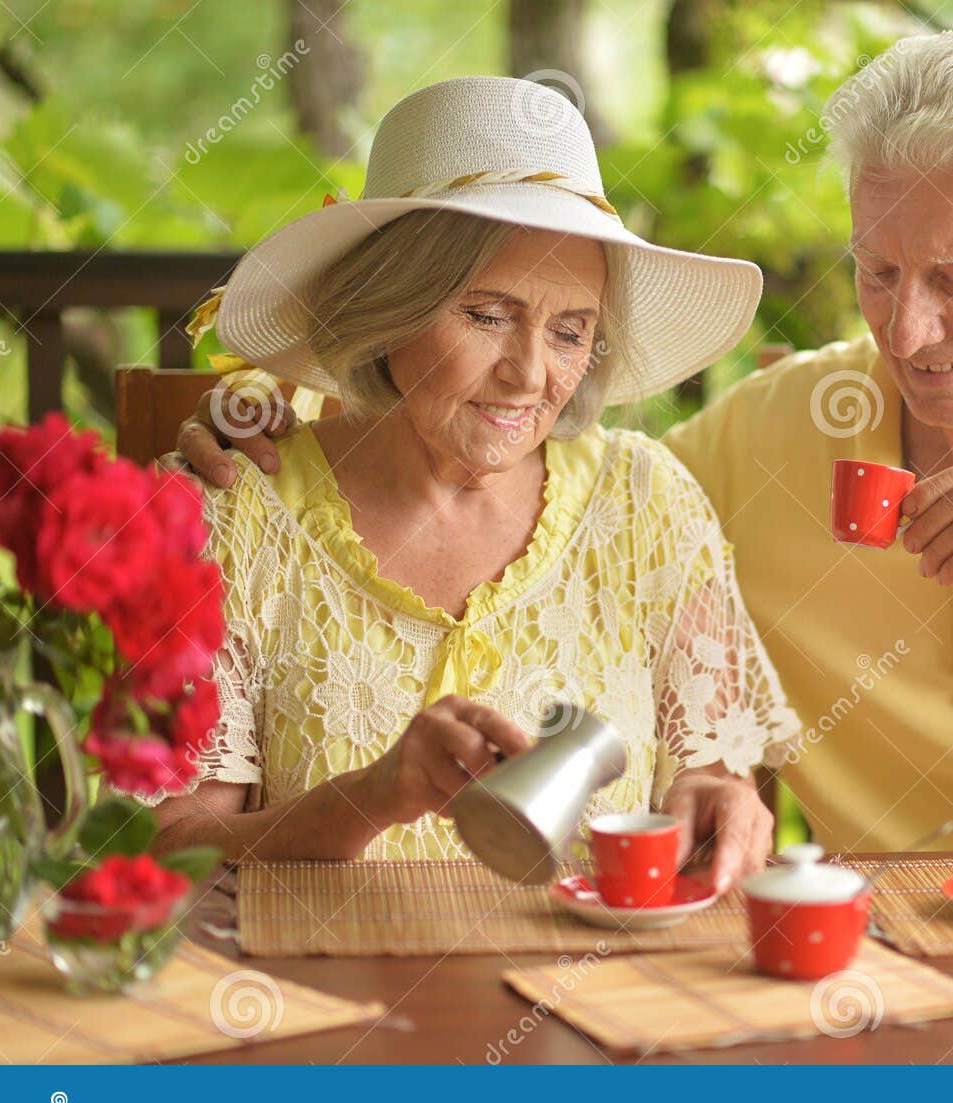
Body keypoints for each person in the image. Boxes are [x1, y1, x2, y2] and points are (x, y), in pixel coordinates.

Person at [177, 30, 953, 853]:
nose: (907, 332)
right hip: (880, 995)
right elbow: (516, 452)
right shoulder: (764, 439)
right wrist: (264, 423)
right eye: (878, 271)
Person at [153, 77, 799, 891]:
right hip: (317, 1008)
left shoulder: (647, 505)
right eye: (487, 316)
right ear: (387, 307)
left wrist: (719, 802)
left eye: (571, 332)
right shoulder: (231, 511)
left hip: (585, 1001)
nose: (531, 376)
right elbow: (169, 850)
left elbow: (710, 782)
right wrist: (371, 796)